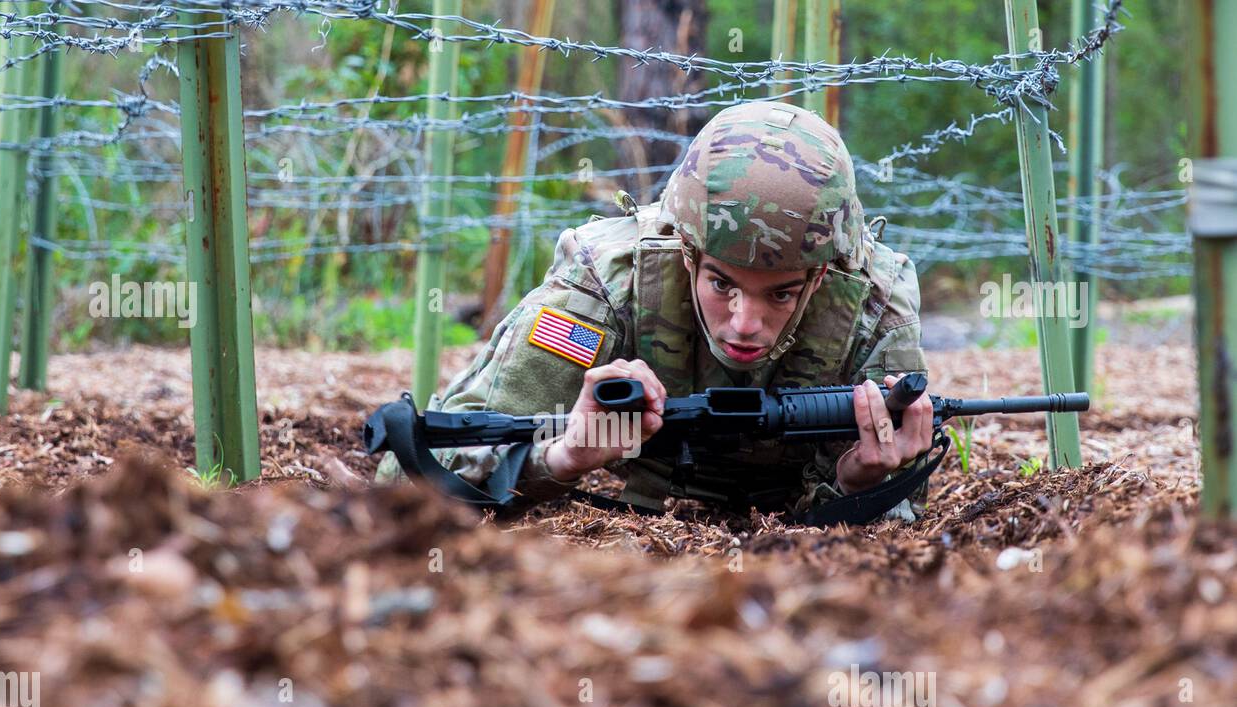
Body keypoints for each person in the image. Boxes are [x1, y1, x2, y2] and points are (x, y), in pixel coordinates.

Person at [376, 100, 934, 520]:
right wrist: (565, 456)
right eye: (722, 283)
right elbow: (406, 479)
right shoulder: (609, 283)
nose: (744, 322)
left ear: (821, 276)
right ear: (687, 254)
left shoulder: (873, 310)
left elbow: (900, 523)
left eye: (781, 293)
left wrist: (859, 485)